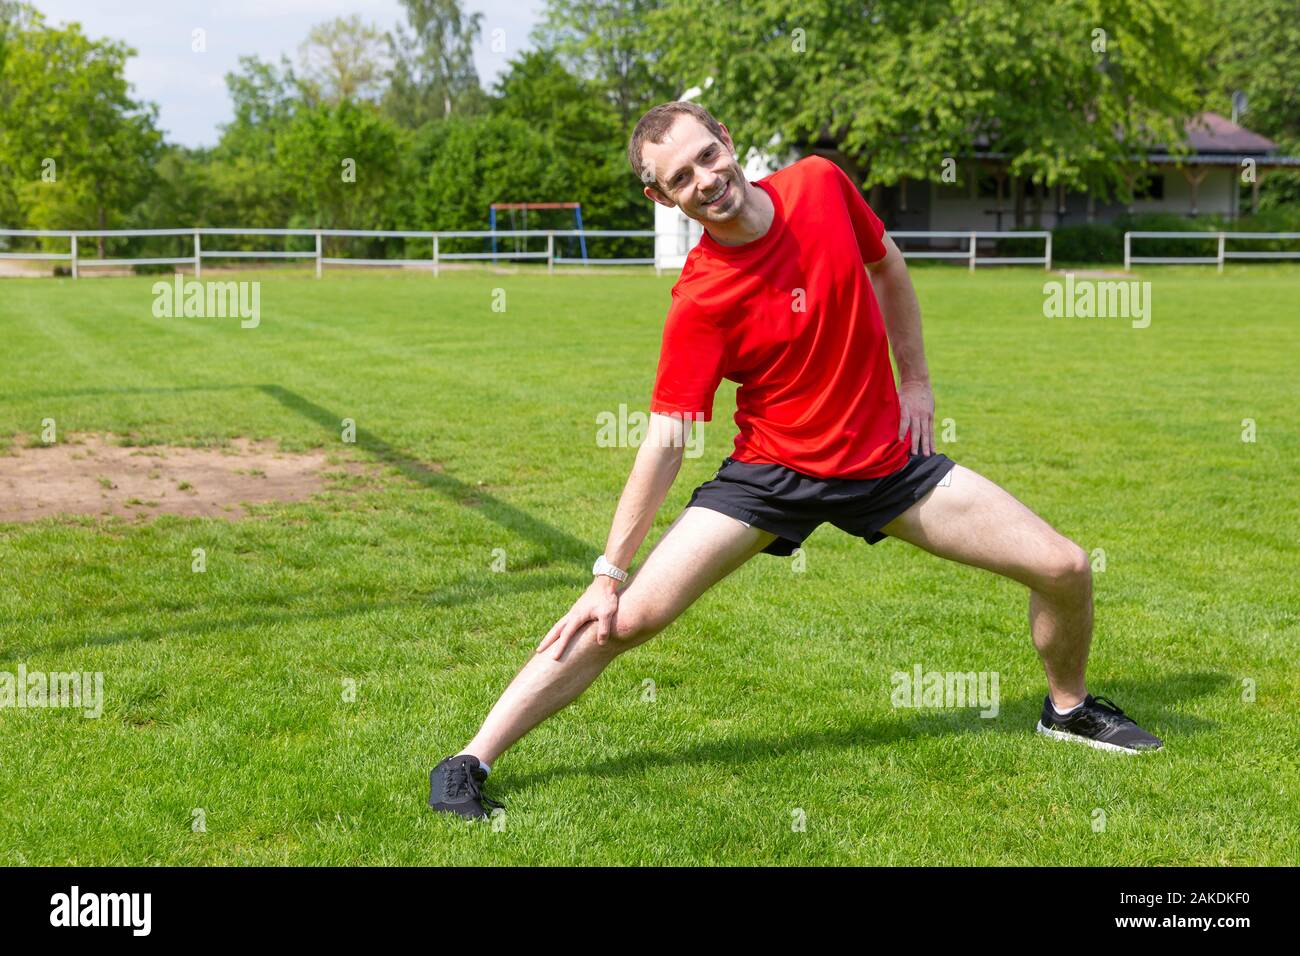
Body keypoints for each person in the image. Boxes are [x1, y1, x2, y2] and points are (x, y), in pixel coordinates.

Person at [429, 101, 1162, 820]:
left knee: (1063, 565)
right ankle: (469, 760)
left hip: (885, 462)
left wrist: (916, 381)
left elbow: (889, 265)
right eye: (681, 179)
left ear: (727, 138)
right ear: (662, 197)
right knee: (624, 619)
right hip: (772, 474)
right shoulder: (701, 298)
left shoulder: (819, 182)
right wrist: (606, 575)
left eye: (707, 156)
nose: (706, 180)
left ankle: (1067, 711)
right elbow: (666, 437)